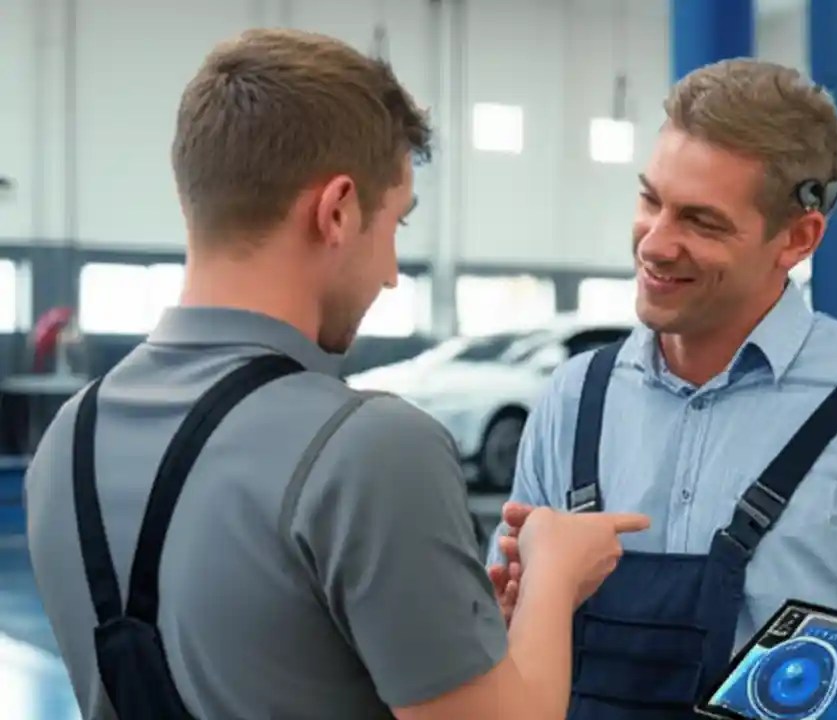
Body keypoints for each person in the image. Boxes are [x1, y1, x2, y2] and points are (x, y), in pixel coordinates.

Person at [24, 28, 648, 720]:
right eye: (396, 227)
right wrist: (554, 578)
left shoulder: (66, 440)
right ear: (339, 210)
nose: (387, 273)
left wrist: (458, 645)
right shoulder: (371, 446)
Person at [488, 59, 837, 719]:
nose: (656, 244)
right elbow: (497, 634)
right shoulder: (575, 398)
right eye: (651, 200)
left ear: (797, 238)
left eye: (702, 222)